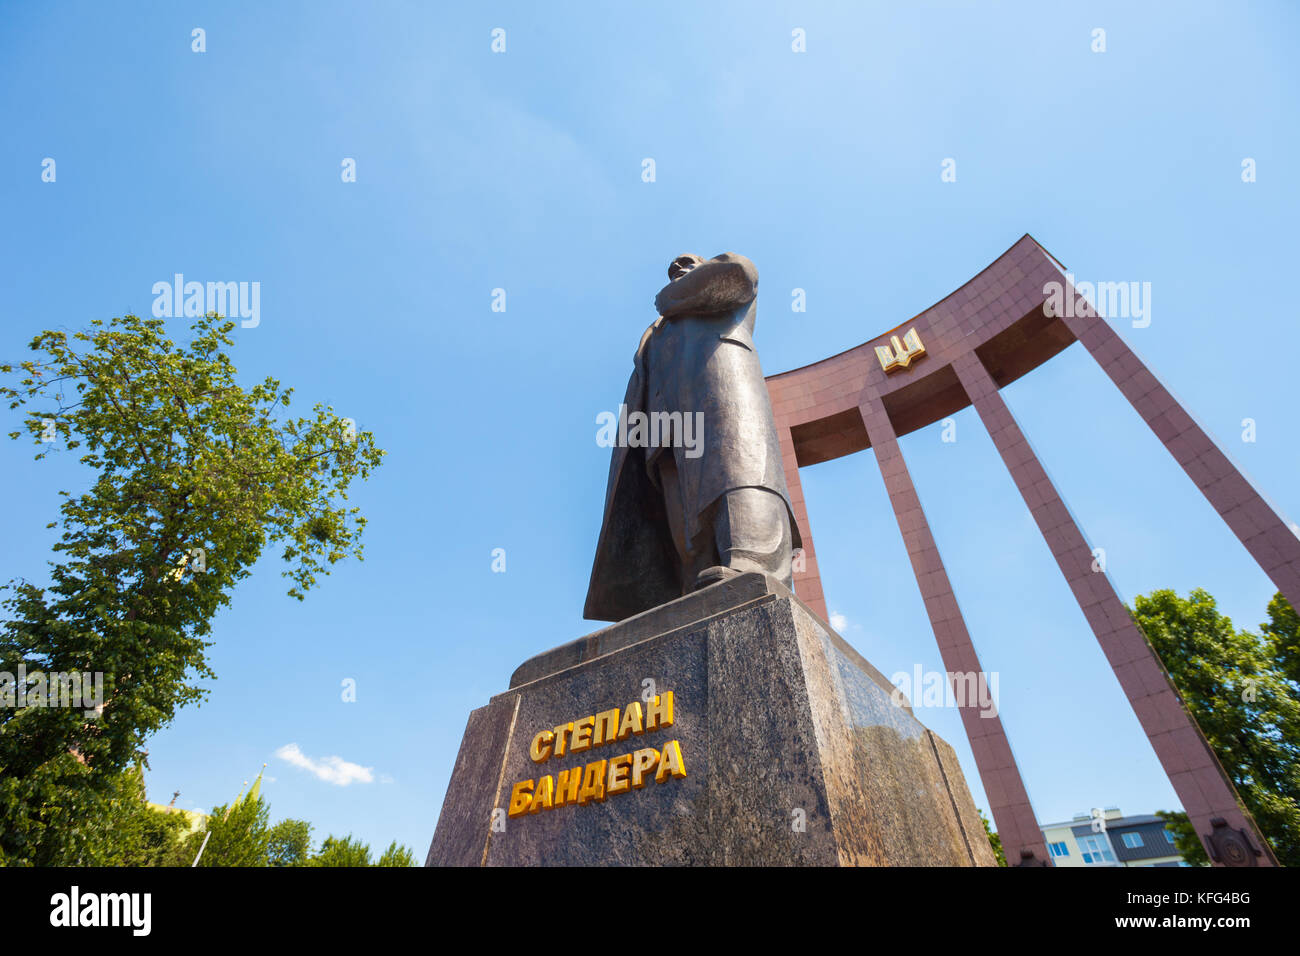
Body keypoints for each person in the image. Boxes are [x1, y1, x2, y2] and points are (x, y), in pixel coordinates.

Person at [584, 252, 801, 622]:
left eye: (688, 264)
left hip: (720, 387)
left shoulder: (721, 285)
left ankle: (753, 561)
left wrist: (669, 297)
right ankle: (692, 585)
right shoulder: (656, 330)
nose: (678, 271)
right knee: (681, 510)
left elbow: (741, 273)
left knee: (739, 475)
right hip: (664, 424)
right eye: (673, 270)